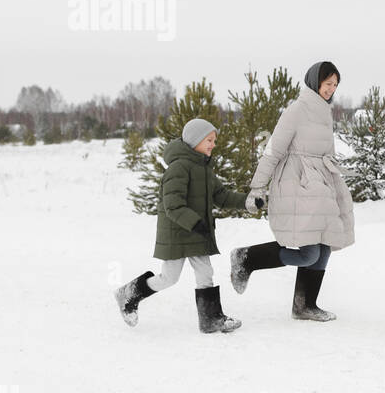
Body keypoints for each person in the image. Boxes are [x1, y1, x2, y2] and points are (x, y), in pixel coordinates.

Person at [228, 61, 354, 321]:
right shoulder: (297, 110)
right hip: (298, 183)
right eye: (328, 83)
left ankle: (305, 305)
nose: (331, 89)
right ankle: (246, 257)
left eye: (335, 85)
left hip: (321, 183)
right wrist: (257, 186)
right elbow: (273, 150)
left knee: (326, 243)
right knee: (309, 253)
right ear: (314, 81)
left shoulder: (324, 112)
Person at [115, 118, 256, 333]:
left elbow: (221, 196)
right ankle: (129, 293)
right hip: (177, 232)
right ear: (195, 141)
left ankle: (211, 319)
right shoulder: (178, 168)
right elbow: (172, 205)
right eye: (209, 140)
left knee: (205, 271)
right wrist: (194, 222)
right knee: (169, 277)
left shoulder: (204, 168)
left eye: (214, 140)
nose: (213, 144)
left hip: (196, 230)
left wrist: (248, 201)